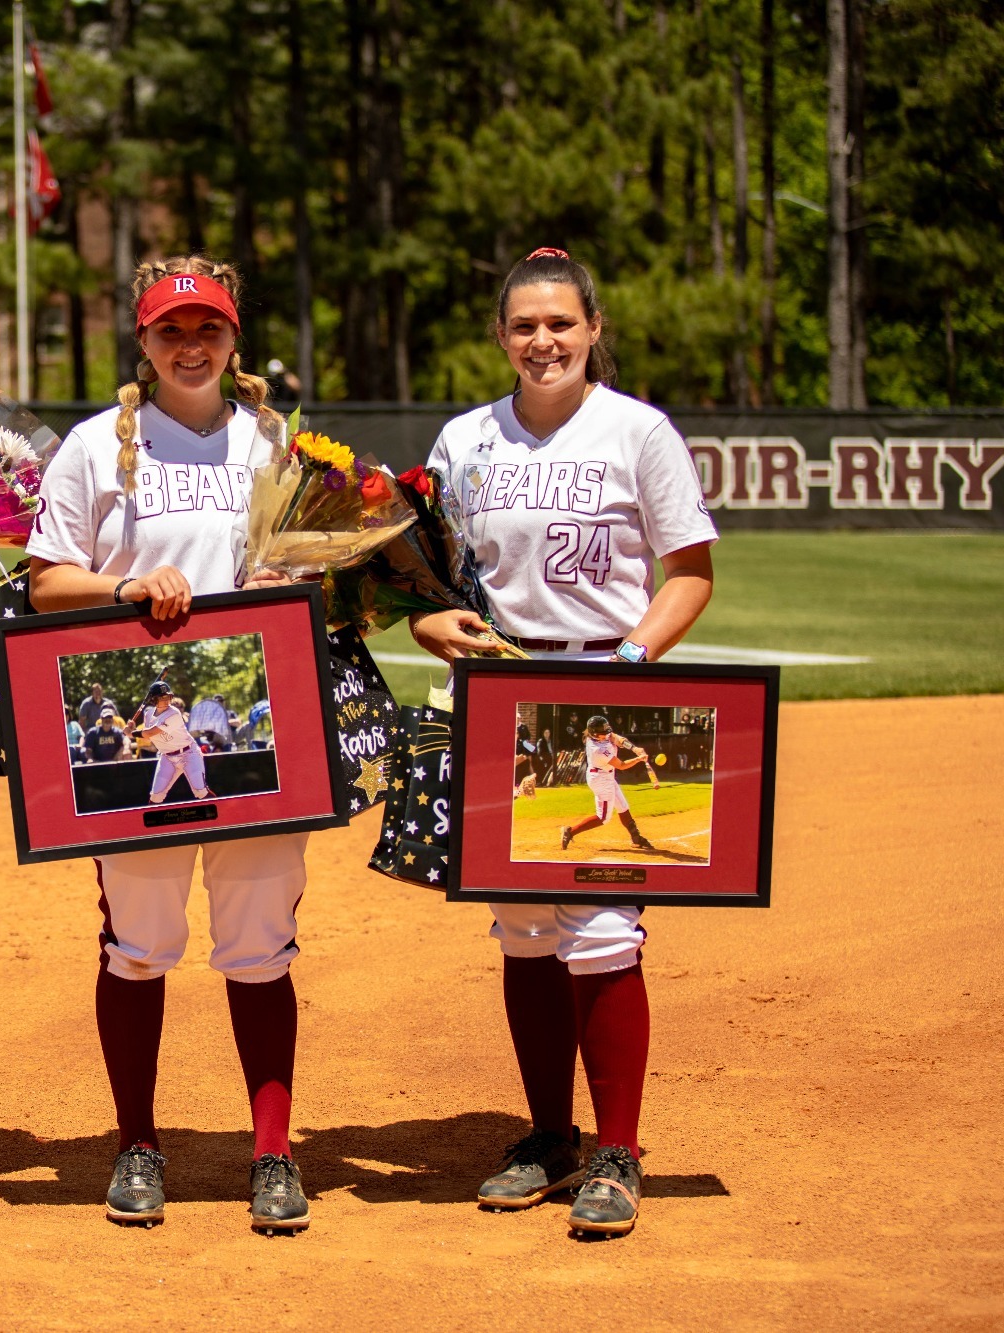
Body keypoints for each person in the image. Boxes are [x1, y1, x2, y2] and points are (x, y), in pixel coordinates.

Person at [408, 247, 715, 1239]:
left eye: (560, 324)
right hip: (496, 686)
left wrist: (627, 657)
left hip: (600, 683)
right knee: (522, 926)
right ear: (500, 337)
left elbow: (690, 572)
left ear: (592, 331)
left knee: (599, 928)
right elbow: (433, 584)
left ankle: (614, 1151)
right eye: (523, 325)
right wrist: (427, 624)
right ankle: (548, 1135)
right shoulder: (463, 440)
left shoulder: (638, 431)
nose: (542, 340)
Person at [28, 256, 312, 1235]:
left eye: (207, 328)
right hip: (140, 718)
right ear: (140, 343)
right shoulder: (95, 447)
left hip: (256, 715)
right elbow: (43, 583)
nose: (188, 345)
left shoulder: (272, 444)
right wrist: (124, 585)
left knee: (257, 948)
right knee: (139, 946)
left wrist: (294, 584)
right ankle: (136, 1144)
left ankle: (271, 1154)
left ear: (233, 339)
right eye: (167, 329)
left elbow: (317, 569)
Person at [132, 684, 215, 804]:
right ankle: (155, 821)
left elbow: (150, 732)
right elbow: (149, 737)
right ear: (154, 699)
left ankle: (223, 815)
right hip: (167, 757)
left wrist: (131, 733)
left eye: (168, 697)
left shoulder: (174, 713)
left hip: (188, 754)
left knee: (200, 791)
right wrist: (133, 729)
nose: (166, 701)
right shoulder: (148, 715)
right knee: (156, 796)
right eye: (162, 698)